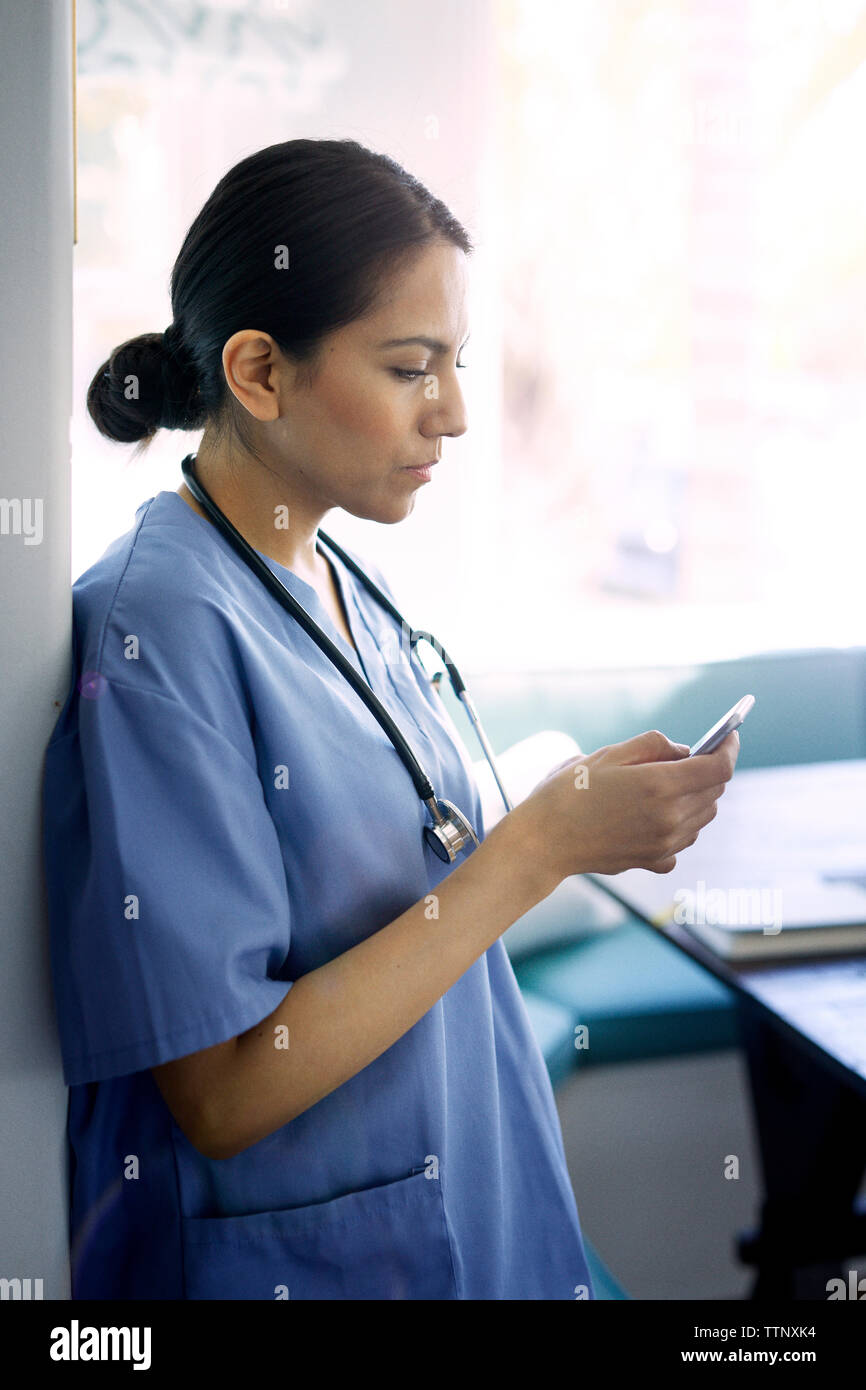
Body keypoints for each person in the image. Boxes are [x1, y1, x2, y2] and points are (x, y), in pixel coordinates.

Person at [42, 138, 739, 1300]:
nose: (455, 414)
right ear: (258, 372)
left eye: (456, 361)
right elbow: (221, 1089)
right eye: (413, 367)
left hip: (473, 1201)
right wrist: (538, 849)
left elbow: (396, 884)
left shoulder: (330, 575)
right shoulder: (152, 629)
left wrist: (565, 817)